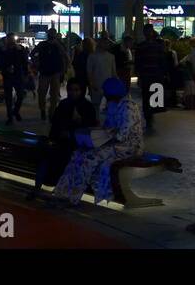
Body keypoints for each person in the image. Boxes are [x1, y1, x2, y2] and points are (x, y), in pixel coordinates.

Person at [53, 77, 145, 205]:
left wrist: (102, 137)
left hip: (128, 147)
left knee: (90, 158)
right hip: (113, 144)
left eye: (106, 92)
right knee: (78, 154)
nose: (104, 94)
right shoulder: (113, 105)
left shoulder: (129, 108)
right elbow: (108, 127)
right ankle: (62, 191)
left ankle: (72, 196)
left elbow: (122, 136)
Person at [28, 78, 98, 200]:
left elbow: (90, 129)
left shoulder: (87, 107)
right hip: (60, 141)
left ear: (82, 91)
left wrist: (76, 126)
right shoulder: (64, 104)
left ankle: (60, 192)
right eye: (70, 90)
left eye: (76, 90)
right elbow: (56, 124)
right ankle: (38, 187)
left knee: (63, 156)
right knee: (45, 152)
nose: (73, 93)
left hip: (76, 143)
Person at [134, 26, 167, 128]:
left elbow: (162, 61)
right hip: (150, 75)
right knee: (149, 96)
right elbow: (138, 63)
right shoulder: (154, 46)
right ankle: (149, 116)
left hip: (152, 74)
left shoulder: (152, 46)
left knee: (150, 96)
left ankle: (149, 116)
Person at [30, 28, 67, 120]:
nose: (52, 36)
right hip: (45, 72)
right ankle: (43, 110)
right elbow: (32, 54)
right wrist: (36, 63)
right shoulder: (42, 44)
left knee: (54, 94)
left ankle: (52, 112)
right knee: (42, 93)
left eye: (53, 34)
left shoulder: (58, 45)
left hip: (55, 72)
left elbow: (64, 54)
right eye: (51, 34)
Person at [0, 33, 28, 125]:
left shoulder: (20, 49)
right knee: (8, 98)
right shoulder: (1, 50)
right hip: (7, 75)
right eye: (9, 39)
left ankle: (15, 111)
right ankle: (10, 116)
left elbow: (24, 62)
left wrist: (26, 74)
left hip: (18, 75)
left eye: (12, 39)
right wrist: (5, 68)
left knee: (20, 95)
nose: (11, 41)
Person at [86, 37, 117, 113]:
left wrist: (115, 83)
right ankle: (97, 119)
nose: (107, 44)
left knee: (108, 104)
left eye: (107, 43)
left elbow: (113, 72)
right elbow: (89, 72)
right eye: (105, 43)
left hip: (107, 84)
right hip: (97, 84)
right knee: (96, 104)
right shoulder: (92, 56)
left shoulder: (111, 56)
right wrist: (92, 84)